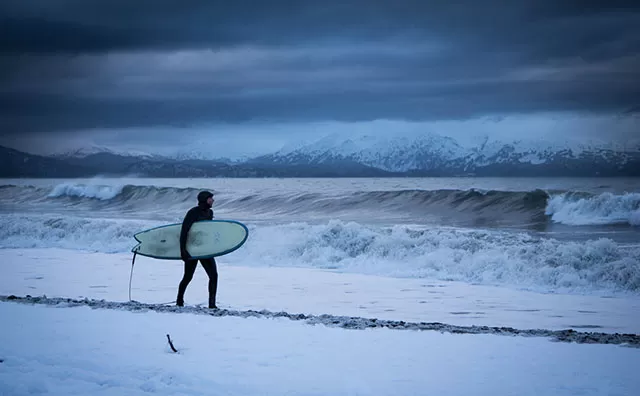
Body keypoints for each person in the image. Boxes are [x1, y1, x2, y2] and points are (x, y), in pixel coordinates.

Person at [176, 190, 218, 309]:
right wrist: (183, 250)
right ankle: (179, 301)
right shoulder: (193, 212)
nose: (213, 200)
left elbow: (208, 231)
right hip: (192, 249)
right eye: (211, 198)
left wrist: (213, 247)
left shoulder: (210, 212)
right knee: (188, 277)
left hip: (204, 250)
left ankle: (212, 304)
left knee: (214, 276)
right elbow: (184, 231)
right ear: (205, 199)